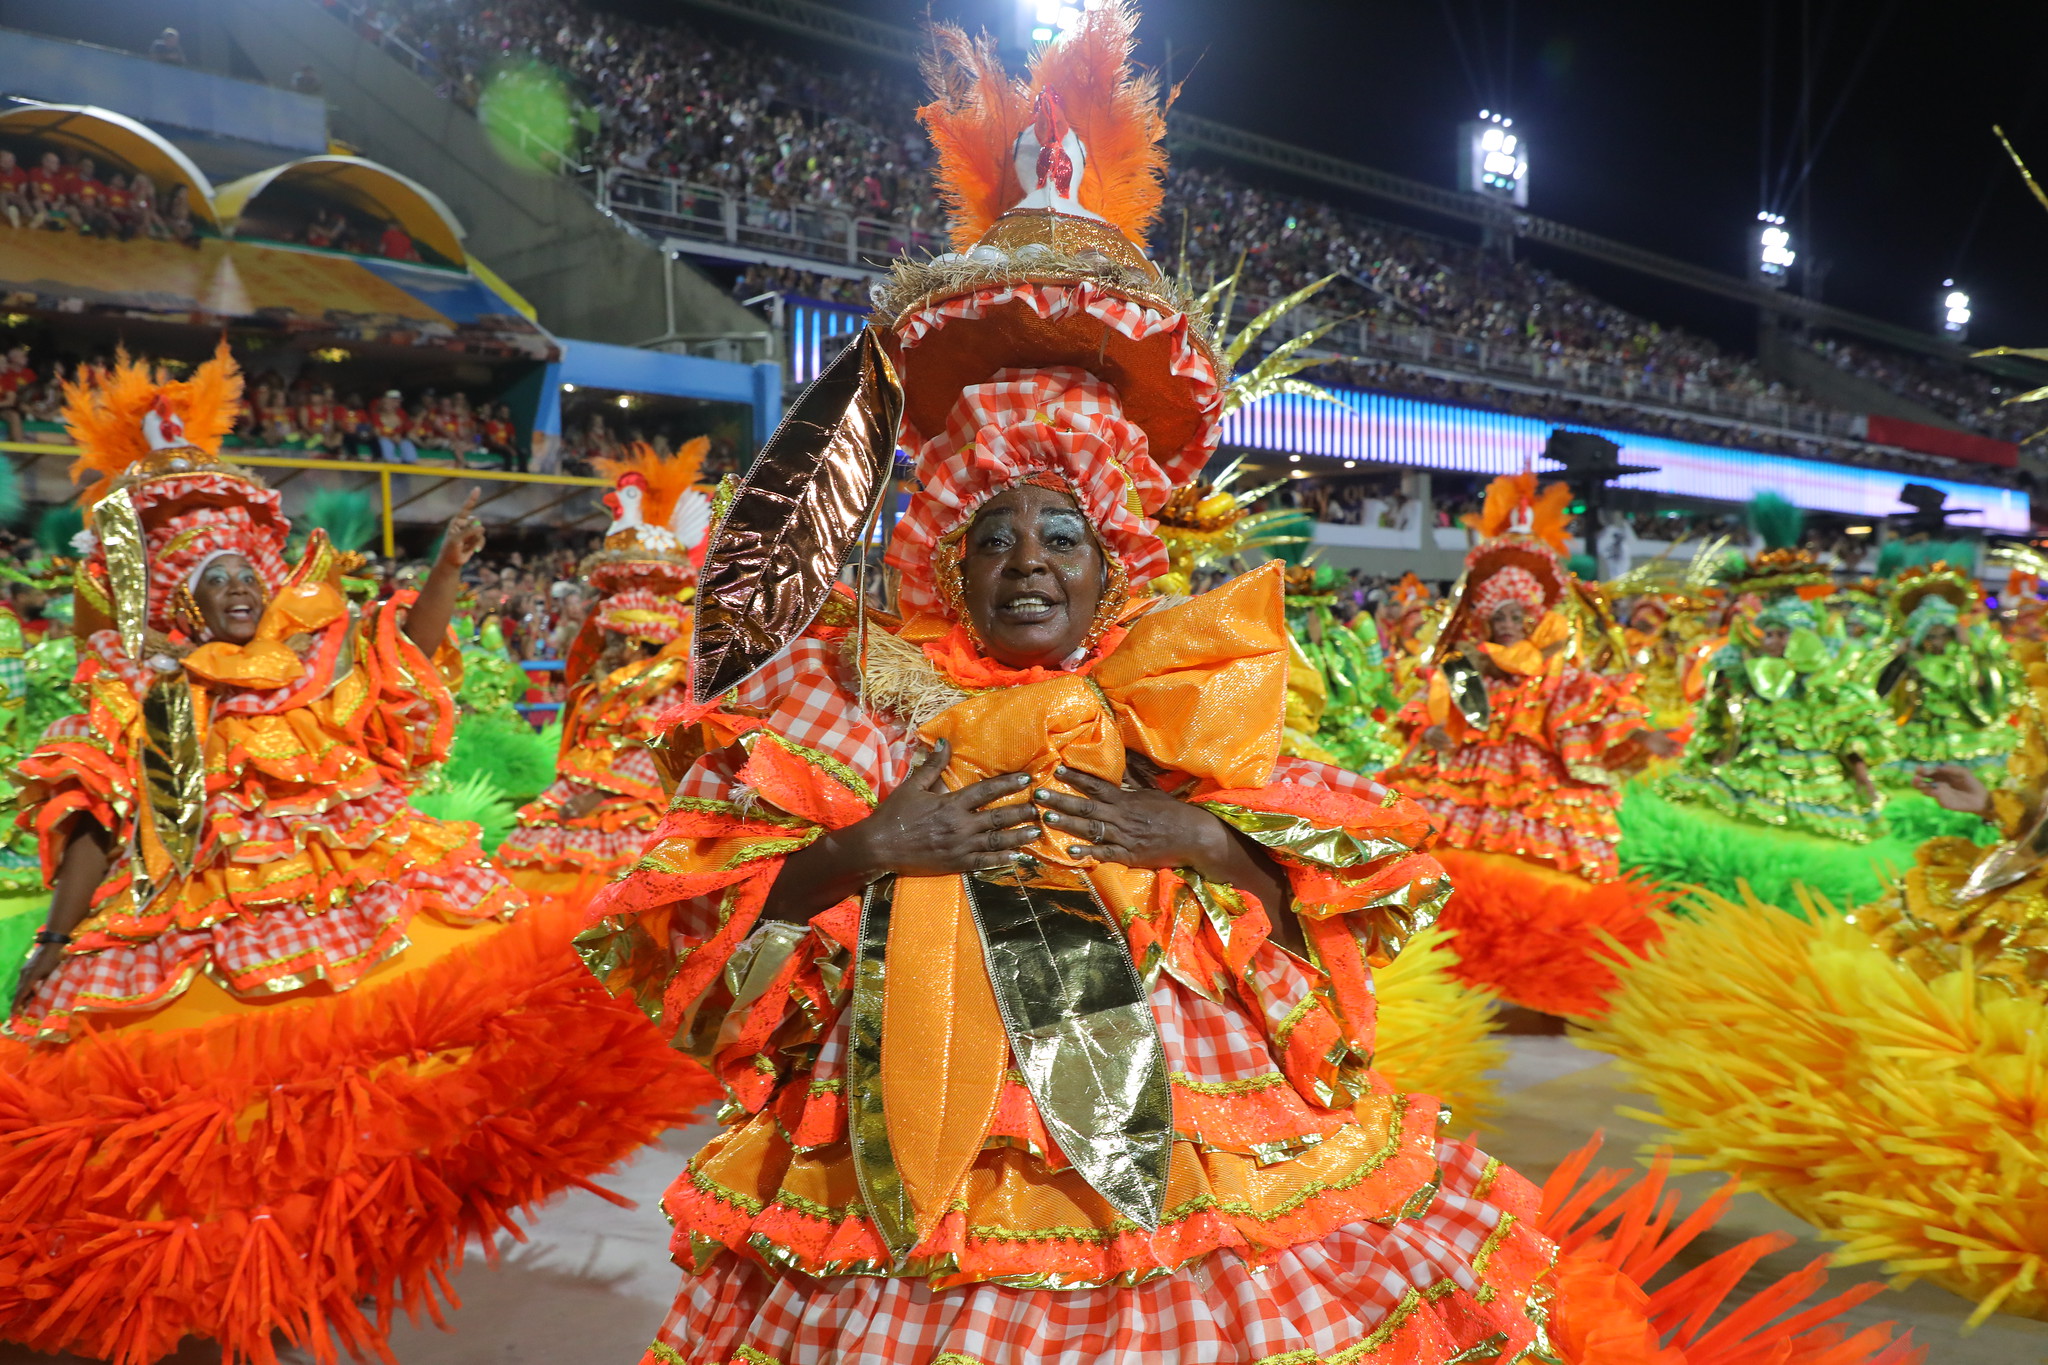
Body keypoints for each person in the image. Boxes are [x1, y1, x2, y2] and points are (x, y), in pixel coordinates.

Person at [571, 12, 1909, 1363]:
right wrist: (872, 847)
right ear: (947, 561)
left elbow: (1351, 889)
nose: (1027, 560)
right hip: (903, 1157)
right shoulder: (865, 700)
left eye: (1064, 533)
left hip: (1208, 1149)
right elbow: (689, 920)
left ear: (1114, 565)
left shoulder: (1185, 694)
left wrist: (1195, 834)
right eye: (992, 534)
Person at [0, 347, 710, 1364]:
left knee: (381, 1100)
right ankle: (236, 1286)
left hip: (357, 901)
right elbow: (96, 810)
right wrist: (60, 935)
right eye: (219, 581)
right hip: (199, 928)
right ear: (183, 600)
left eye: (251, 575)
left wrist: (453, 575)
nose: (241, 593)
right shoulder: (154, 695)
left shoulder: (307, 676)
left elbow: (399, 673)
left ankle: (336, 1256)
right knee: (229, 1137)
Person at [1380, 470, 1674, 1019]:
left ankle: (1541, 977)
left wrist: (1638, 734)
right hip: (1464, 788)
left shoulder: (1557, 674)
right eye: (1500, 617)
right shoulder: (1466, 669)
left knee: (1544, 886)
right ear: (1485, 618)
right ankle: (1446, 966)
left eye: (1518, 616)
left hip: (1540, 793)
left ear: (1536, 616)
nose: (1510, 626)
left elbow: (1593, 706)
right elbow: (1439, 718)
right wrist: (1437, 732)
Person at [496, 440, 711, 908]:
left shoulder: (670, 679)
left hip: (635, 807)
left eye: (618, 638)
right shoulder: (604, 681)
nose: (606, 644)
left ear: (643, 637)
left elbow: (661, 755)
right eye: (607, 635)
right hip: (583, 788)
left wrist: (596, 798)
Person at [370, 388, 416, 462]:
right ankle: (389, 465)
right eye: (391, 400)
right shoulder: (376, 416)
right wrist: (391, 437)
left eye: (396, 401)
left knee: (407, 444)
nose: (393, 404)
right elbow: (377, 433)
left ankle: (410, 465)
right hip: (383, 441)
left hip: (398, 441)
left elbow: (409, 431)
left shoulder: (401, 414)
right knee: (385, 443)